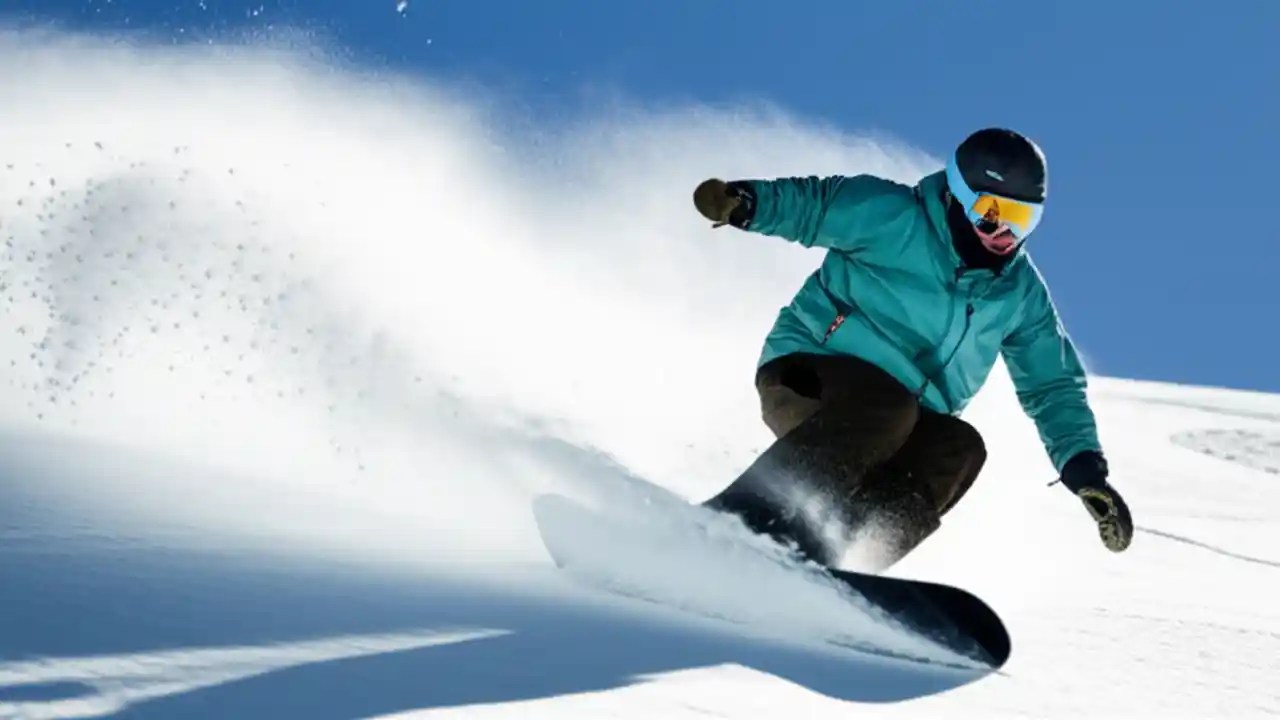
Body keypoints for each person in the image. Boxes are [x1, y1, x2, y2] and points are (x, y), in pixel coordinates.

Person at [692, 127, 1133, 571]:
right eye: (991, 213)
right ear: (958, 196)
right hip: (809, 374)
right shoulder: (894, 216)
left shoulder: (1019, 293)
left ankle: (837, 557)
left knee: (959, 449)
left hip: (899, 424)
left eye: (1023, 219)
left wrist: (1085, 470)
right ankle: (745, 516)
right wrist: (746, 203)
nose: (1004, 233)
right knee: (887, 406)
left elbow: (1052, 385)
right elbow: (816, 207)